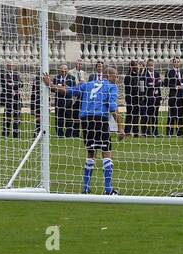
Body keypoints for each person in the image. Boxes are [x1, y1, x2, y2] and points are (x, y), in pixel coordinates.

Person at [43, 64, 125, 195]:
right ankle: (108, 190)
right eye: (116, 76)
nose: (118, 79)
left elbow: (69, 91)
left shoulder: (88, 84)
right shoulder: (111, 87)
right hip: (99, 119)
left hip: (86, 120)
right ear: (109, 76)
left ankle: (86, 188)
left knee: (91, 153)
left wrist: (51, 85)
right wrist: (121, 128)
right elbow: (112, 108)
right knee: (106, 152)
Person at [165, 58, 183, 137]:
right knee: (172, 114)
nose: (177, 63)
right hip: (173, 96)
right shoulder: (169, 72)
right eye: (175, 62)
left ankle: (180, 133)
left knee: (180, 114)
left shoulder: (181, 71)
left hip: (180, 96)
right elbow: (166, 83)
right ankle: (169, 132)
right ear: (173, 63)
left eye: (178, 62)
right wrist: (176, 87)